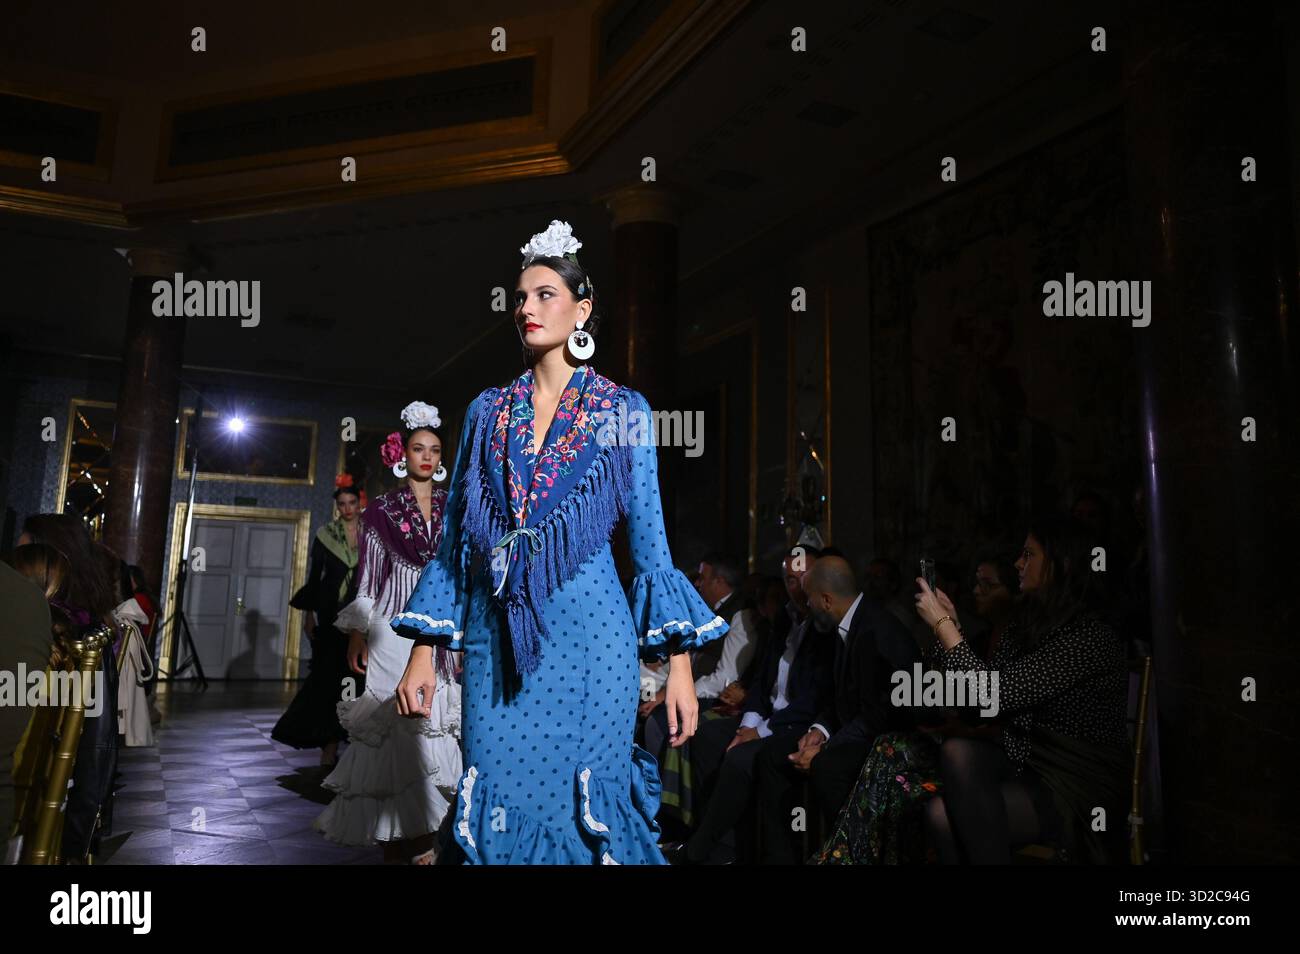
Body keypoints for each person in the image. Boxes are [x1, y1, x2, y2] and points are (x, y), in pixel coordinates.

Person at [392, 220, 726, 864]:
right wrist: (424, 653)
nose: (526, 308)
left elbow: (652, 549)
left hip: (593, 651)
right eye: (520, 297)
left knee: (585, 819)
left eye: (544, 294)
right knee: (492, 796)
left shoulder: (622, 409)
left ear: (583, 307)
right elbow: (457, 539)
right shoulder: (487, 410)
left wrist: (679, 666)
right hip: (499, 647)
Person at [916, 517, 1130, 864]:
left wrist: (943, 628)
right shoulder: (1026, 624)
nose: (1018, 563)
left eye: (1029, 555)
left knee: (949, 798)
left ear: (1061, 565)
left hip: (1079, 786)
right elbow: (977, 707)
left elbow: (996, 696)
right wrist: (951, 627)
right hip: (1030, 765)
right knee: (943, 798)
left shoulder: (1089, 637)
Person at [313, 406, 462, 864]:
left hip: (440, 626)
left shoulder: (454, 505)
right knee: (390, 727)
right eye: (419, 448)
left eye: (435, 450)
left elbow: (460, 572)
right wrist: (358, 632)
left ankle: (430, 841)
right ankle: (398, 843)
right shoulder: (381, 509)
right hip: (390, 628)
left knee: (436, 724)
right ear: (405, 453)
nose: (427, 456)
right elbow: (369, 576)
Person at [812, 554, 1019, 865]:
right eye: (976, 583)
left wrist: (945, 626)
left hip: (991, 749)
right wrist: (950, 630)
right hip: (953, 734)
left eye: (988, 585)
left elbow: (991, 701)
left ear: (1013, 592)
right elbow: (943, 690)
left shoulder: (1019, 640)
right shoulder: (979, 638)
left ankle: (851, 856)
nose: (976, 591)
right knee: (883, 751)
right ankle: (851, 854)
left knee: (883, 756)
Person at [755, 554, 919, 863]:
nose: (808, 606)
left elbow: (879, 716)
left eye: (811, 599)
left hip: (889, 739)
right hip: (857, 728)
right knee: (773, 755)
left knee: (827, 767)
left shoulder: (875, 632)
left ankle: (850, 856)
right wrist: (819, 731)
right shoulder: (847, 624)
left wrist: (827, 747)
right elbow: (839, 696)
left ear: (826, 600)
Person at [17, 515, 119, 862]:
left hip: (26, 781)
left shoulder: (44, 629)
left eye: (23, 548)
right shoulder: (89, 619)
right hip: (64, 785)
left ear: (46, 560)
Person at [273, 476, 363, 767]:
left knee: (360, 681)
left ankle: (362, 746)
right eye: (342, 504)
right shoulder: (326, 535)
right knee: (328, 682)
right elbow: (314, 577)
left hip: (362, 616)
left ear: (360, 503)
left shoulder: (372, 534)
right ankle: (329, 744)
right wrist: (308, 614)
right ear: (337, 507)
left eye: (351, 503)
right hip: (330, 615)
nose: (347, 509)